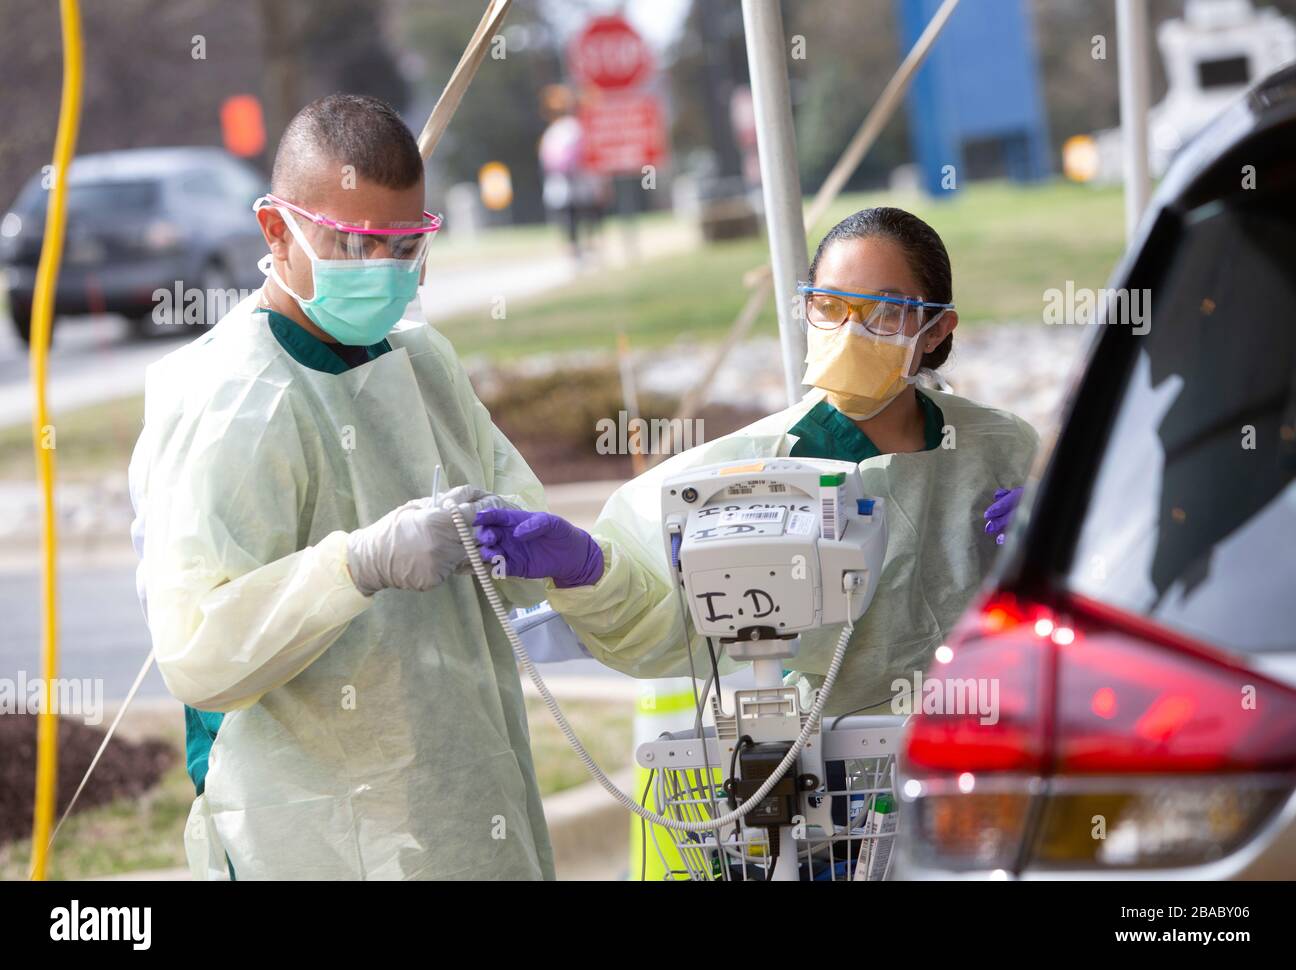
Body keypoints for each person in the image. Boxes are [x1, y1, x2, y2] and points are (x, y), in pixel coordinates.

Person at [128, 94, 555, 880]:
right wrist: (356, 565)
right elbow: (198, 652)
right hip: (299, 831)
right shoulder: (231, 399)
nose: (382, 272)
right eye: (353, 242)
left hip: (459, 803)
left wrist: (534, 547)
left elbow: (520, 525)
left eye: (404, 246)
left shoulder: (423, 364)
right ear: (275, 231)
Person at [472, 206, 1040, 716]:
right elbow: (663, 624)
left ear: (937, 327)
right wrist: (585, 569)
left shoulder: (1002, 448)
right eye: (829, 306)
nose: (849, 333)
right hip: (832, 769)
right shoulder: (755, 468)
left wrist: (1070, 538)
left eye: (884, 313)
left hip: (990, 739)